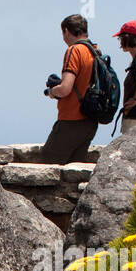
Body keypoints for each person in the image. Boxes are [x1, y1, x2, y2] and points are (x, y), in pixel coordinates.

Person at [40, 14, 99, 163]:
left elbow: (65, 89)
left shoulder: (75, 51)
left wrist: (51, 92)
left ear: (66, 31)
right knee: (75, 169)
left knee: (48, 162)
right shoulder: (95, 51)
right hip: (90, 120)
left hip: (72, 119)